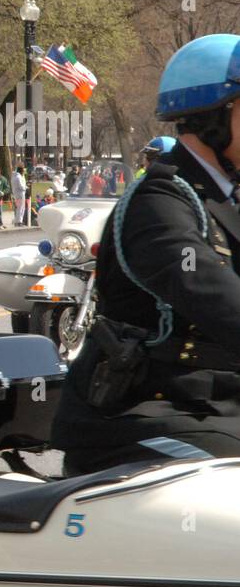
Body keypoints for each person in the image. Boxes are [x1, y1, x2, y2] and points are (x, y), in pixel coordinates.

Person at [51, 34, 240, 476]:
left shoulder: (226, 198)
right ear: (214, 116)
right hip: (147, 416)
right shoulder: (160, 202)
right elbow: (216, 297)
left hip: (213, 406)